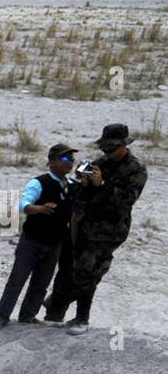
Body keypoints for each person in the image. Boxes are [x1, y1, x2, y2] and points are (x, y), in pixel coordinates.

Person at [42, 124, 147, 336]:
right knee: (71, 269)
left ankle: (81, 318)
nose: (107, 151)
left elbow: (125, 202)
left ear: (124, 145)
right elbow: (79, 190)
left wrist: (102, 185)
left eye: (112, 147)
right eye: (105, 146)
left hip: (109, 230)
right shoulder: (99, 163)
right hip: (83, 225)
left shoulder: (136, 170)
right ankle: (55, 310)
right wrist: (84, 182)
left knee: (87, 270)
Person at [0, 144, 75, 331]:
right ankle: (1, 316)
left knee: (41, 283)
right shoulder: (39, 182)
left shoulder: (71, 186)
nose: (70, 163)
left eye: (71, 159)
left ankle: (28, 316)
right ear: (51, 162)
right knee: (17, 281)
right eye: (65, 159)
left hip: (55, 243)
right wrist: (41, 209)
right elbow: (23, 205)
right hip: (32, 241)